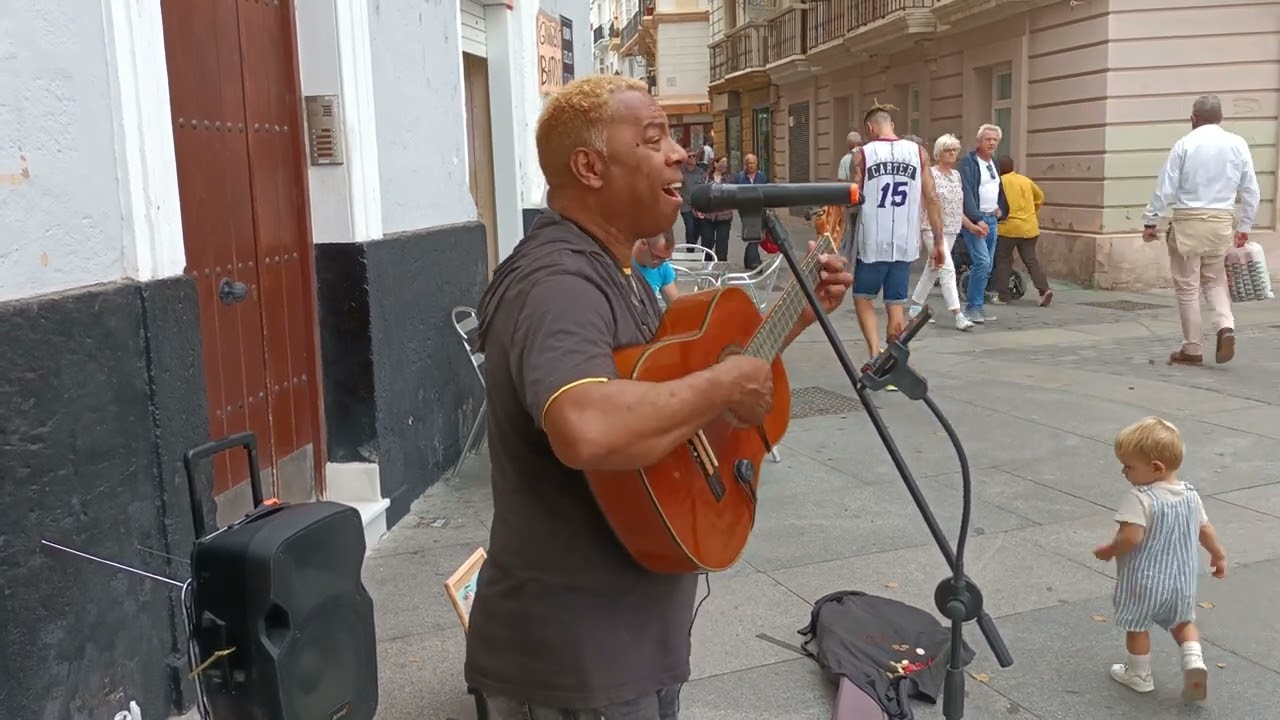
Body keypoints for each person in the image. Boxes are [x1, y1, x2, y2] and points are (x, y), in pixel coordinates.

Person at [464, 74, 853, 720]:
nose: (680, 154)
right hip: (575, 663)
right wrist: (726, 384)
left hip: (624, 638)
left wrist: (796, 318)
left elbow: (668, 387)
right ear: (590, 166)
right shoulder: (559, 284)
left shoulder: (616, 269)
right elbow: (584, 426)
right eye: (654, 139)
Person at [1093, 417, 1227, 703]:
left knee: (1137, 625)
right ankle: (1193, 662)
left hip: (1143, 581)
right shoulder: (1190, 495)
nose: (1123, 472)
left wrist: (1109, 550)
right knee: (1183, 622)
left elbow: (1132, 537)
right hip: (1182, 580)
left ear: (1156, 468)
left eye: (1128, 466)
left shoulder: (1139, 497)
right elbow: (1206, 529)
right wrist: (1218, 554)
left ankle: (1139, 675)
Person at [1142, 94, 1261, 366]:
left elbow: (1166, 187)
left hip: (1187, 223)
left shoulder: (1185, 144)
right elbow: (1250, 189)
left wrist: (1152, 221)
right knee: (1216, 280)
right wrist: (1244, 226)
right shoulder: (1238, 144)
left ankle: (1192, 348)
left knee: (1187, 287)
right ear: (1220, 118)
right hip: (1221, 223)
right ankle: (1225, 325)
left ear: (1193, 118)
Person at [848, 104, 946, 369]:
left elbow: (853, 197)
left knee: (863, 297)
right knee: (896, 303)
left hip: (873, 240)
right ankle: (893, 362)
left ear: (870, 128)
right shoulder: (919, 153)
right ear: (891, 124)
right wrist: (939, 242)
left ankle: (874, 353)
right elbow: (933, 198)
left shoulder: (862, 155)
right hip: (905, 240)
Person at [907, 134, 974, 331]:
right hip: (931, 227)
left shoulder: (956, 176)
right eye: (948, 150)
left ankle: (914, 307)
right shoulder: (930, 174)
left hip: (952, 228)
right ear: (938, 153)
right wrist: (918, 231)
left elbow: (957, 207)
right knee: (947, 269)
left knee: (933, 269)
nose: (952, 153)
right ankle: (958, 315)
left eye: (954, 149)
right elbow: (922, 204)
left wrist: (970, 225)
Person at [958, 124, 1009, 324]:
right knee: (982, 262)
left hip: (991, 218)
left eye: (995, 140)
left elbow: (998, 188)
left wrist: (1000, 209)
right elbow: (967, 191)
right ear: (979, 141)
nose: (991, 143)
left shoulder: (994, 164)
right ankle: (972, 307)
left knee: (986, 265)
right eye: (988, 139)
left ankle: (975, 302)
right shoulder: (969, 163)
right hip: (975, 220)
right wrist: (976, 217)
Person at [992, 155, 1053, 307]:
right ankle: (1044, 290)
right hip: (1029, 227)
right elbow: (1040, 197)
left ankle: (1003, 295)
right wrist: (1032, 211)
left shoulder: (999, 182)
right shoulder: (1025, 180)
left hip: (1008, 228)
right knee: (1031, 260)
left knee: (1003, 260)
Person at [732, 153, 769, 270]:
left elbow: (768, 193)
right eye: (749, 163)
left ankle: (751, 261)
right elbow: (734, 194)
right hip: (746, 211)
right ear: (745, 164)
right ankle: (754, 263)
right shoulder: (739, 178)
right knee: (754, 234)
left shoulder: (762, 177)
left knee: (756, 236)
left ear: (756, 163)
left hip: (760, 210)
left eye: (753, 163)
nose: (751, 165)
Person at [697, 157, 734, 262]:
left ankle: (721, 267)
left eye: (726, 162)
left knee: (722, 244)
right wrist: (698, 209)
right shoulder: (706, 178)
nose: (725, 164)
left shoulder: (729, 179)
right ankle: (707, 266)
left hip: (724, 216)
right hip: (708, 216)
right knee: (707, 242)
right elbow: (699, 193)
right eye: (722, 162)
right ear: (715, 164)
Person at [633, 230, 679, 306]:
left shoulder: (663, 267)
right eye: (657, 258)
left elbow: (675, 306)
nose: (661, 264)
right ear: (644, 244)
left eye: (665, 259)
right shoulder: (621, 262)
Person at [837, 131, 863, 257]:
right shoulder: (867, 155)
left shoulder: (845, 160)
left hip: (852, 201)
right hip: (866, 201)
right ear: (860, 143)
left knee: (850, 230)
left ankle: (850, 256)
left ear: (848, 145)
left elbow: (841, 182)